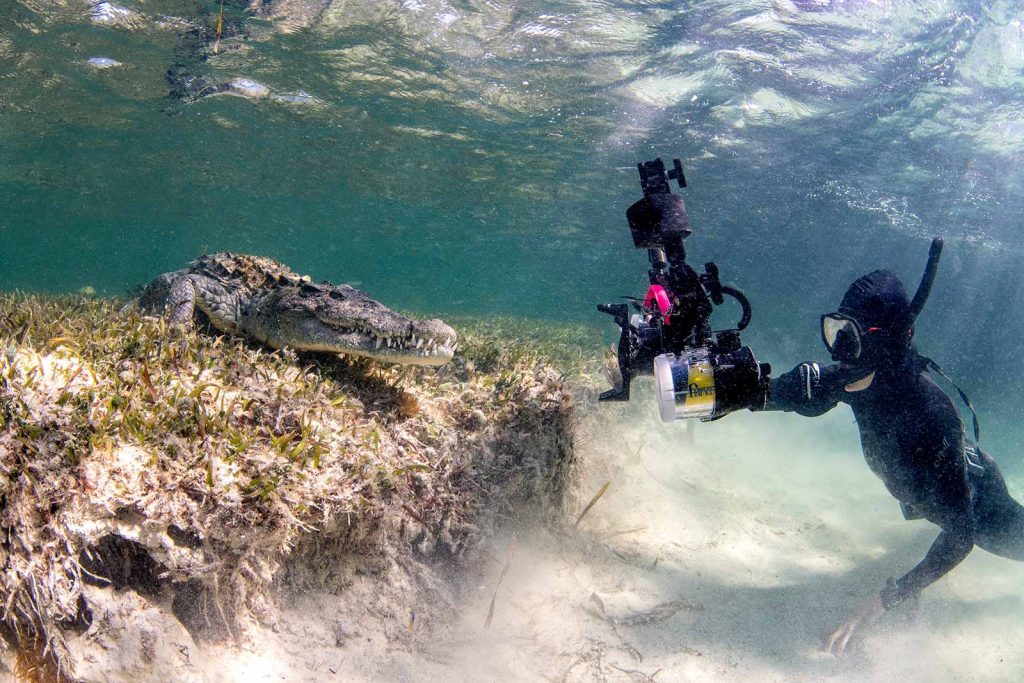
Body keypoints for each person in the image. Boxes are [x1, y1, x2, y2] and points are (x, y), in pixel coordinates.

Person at [767, 239, 1024, 655]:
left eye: (850, 337)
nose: (839, 353)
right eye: (836, 332)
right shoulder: (858, 375)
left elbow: (962, 535)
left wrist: (887, 600)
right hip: (931, 492)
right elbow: (777, 393)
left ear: (887, 344)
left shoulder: (932, 415)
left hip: (982, 503)